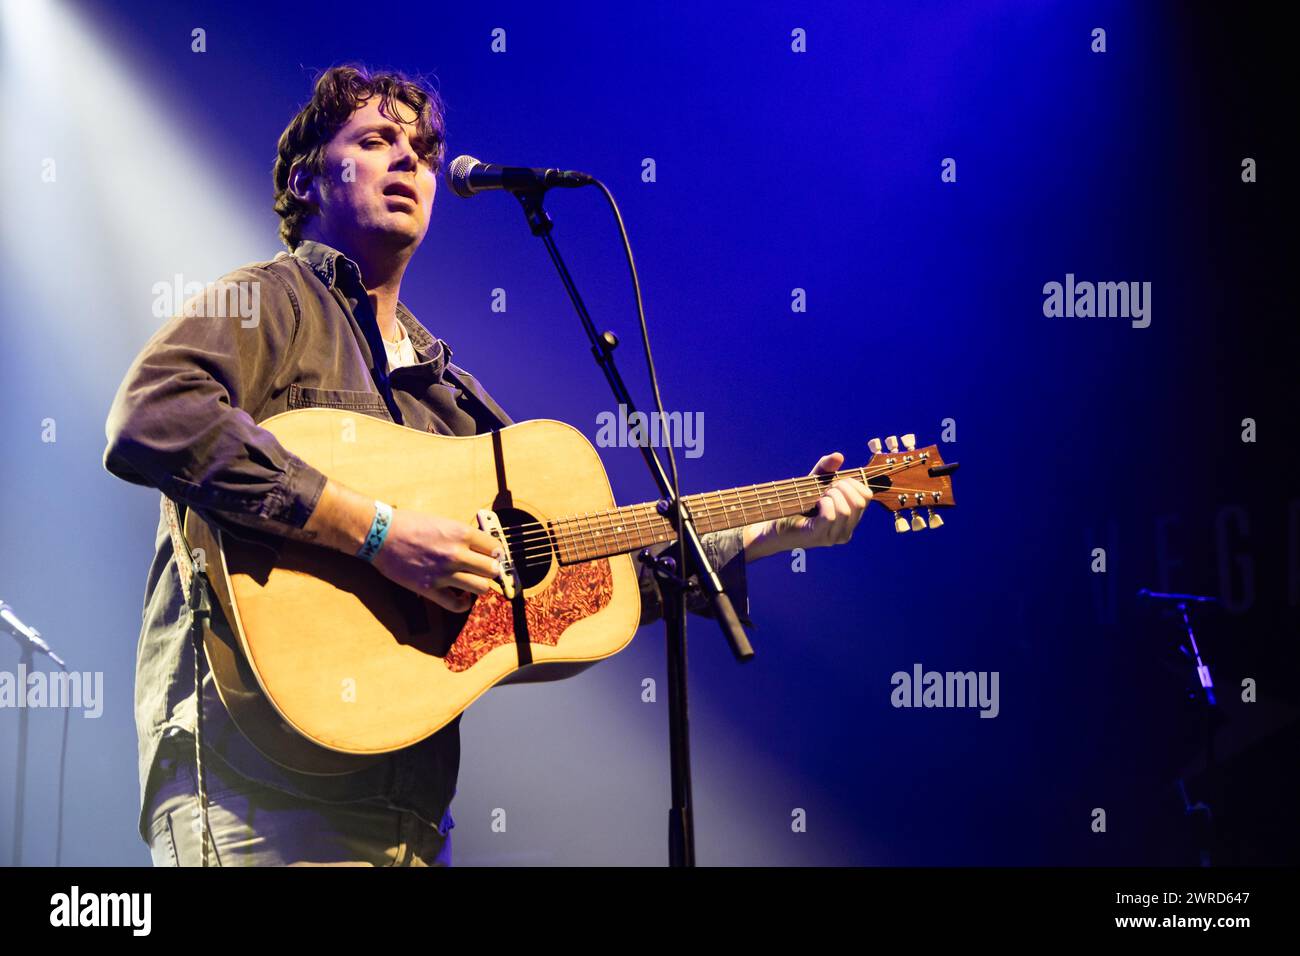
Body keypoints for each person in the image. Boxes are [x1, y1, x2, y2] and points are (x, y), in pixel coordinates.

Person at [103, 63, 872, 866]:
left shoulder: (454, 400)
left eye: (423, 150)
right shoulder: (272, 301)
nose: (409, 160)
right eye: (375, 140)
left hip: (405, 806)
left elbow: (592, 582)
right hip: (256, 786)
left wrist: (772, 531)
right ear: (307, 181)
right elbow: (155, 415)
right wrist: (378, 533)